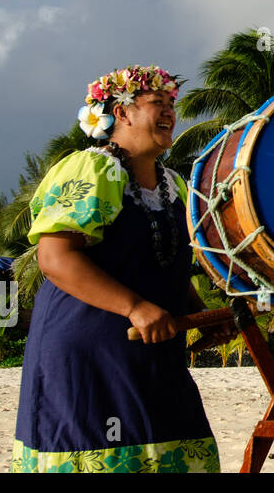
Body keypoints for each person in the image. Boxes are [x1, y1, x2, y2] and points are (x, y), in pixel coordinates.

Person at [12, 65, 219, 472]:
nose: (169, 113)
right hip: (89, 352)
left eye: (171, 105)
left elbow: (165, 263)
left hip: (155, 352)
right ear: (121, 113)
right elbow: (54, 258)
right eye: (157, 103)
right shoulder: (91, 169)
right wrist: (133, 307)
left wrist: (199, 314)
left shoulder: (172, 183)